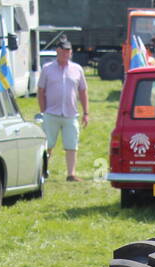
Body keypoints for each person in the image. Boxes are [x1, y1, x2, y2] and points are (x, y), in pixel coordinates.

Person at [36, 37, 88, 182]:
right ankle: (43, 171)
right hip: (51, 113)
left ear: (71, 53)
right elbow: (41, 90)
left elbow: (83, 91)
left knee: (72, 145)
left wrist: (86, 113)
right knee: (48, 145)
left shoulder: (77, 69)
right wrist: (43, 110)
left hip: (70, 114)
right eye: (63, 51)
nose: (65, 54)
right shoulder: (47, 69)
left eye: (68, 51)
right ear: (57, 51)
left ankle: (71, 174)